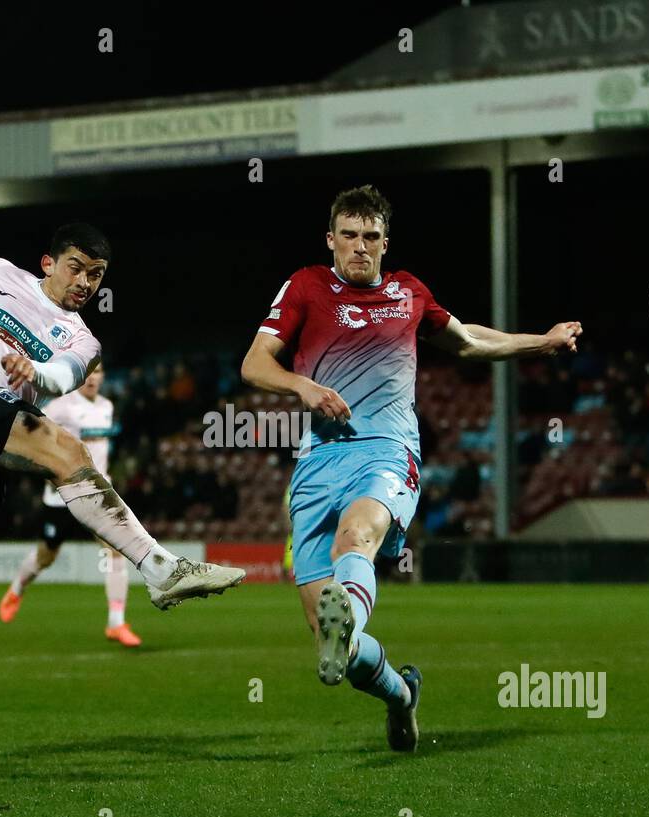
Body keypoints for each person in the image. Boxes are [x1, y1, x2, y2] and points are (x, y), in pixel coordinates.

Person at [0, 223, 244, 772]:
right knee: (66, 449)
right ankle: (158, 566)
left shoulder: (84, 340)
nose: (85, 282)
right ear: (48, 262)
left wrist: (36, 371)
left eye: (97, 275)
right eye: (76, 267)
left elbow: (63, 376)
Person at [240, 184, 581, 752]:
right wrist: (303, 386)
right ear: (330, 239)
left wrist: (540, 343)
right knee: (341, 651)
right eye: (348, 235)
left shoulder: (408, 293)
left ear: (384, 242)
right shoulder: (306, 286)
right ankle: (401, 695)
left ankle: (348, 609)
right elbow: (254, 363)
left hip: (388, 449)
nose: (359, 246)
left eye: (370, 237)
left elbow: (469, 341)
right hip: (318, 461)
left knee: (358, 536)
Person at [0, 366, 143, 648]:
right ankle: (17, 588)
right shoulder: (60, 407)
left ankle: (116, 622)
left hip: (98, 494)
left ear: (103, 377)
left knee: (116, 551)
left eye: (99, 371)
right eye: (88, 372)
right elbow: (35, 436)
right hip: (61, 496)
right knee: (46, 557)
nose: (93, 377)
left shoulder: (107, 406)